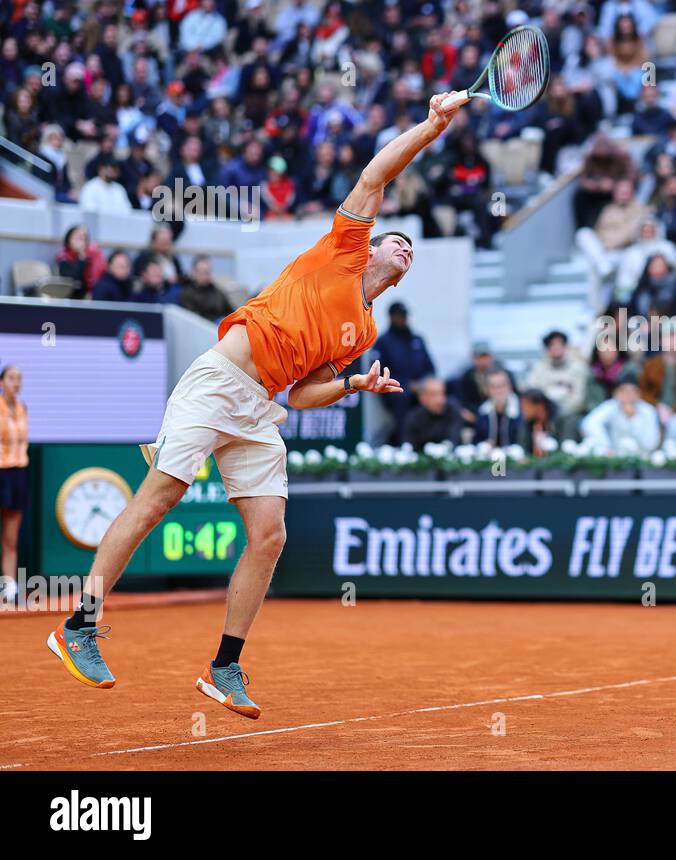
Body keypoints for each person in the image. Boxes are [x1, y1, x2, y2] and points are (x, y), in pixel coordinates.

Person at [48, 90, 469, 717]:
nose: (404, 247)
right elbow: (377, 173)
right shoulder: (345, 248)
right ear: (375, 245)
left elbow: (302, 394)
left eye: (412, 249)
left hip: (260, 409)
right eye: (397, 239)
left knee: (269, 536)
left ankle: (225, 667)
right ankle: (79, 625)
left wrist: (354, 385)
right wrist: (431, 127)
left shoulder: (366, 328)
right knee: (160, 497)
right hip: (219, 379)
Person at [372, 301, 437, 439]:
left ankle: (435, 443)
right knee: (403, 398)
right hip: (395, 390)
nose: (403, 319)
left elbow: (430, 368)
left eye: (404, 315)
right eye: (399, 316)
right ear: (391, 317)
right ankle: (405, 443)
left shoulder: (417, 339)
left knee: (439, 395)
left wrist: (425, 385)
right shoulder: (383, 343)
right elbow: (378, 372)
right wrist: (408, 385)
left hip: (421, 389)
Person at [0, 367, 28, 607]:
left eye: (19, 379)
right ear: (2, 382)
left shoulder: (22, 409)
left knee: (11, 538)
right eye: (11, 378)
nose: (16, 383)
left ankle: (9, 589)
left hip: (18, 474)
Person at [580, 371, 661, 454]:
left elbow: (651, 443)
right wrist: (606, 446)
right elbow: (589, 423)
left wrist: (632, 419)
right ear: (616, 393)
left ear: (638, 394)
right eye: (624, 391)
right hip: (614, 455)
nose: (628, 395)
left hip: (642, 456)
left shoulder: (648, 411)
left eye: (632, 391)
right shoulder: (611, 406)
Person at [401, 376, 470, 448]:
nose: (440, 400)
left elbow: (452, 440)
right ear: (422, 397)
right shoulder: (413, 417)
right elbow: (408, 446)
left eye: (442, 393)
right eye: (434, 395)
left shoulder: (453, 410)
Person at [177, 255, 234, 323]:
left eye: (207, 272)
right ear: (194, 272)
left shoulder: (218, 292)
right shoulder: (186, 294)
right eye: (202, 272)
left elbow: (231, 313)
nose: (205, 276)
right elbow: (191, 319)